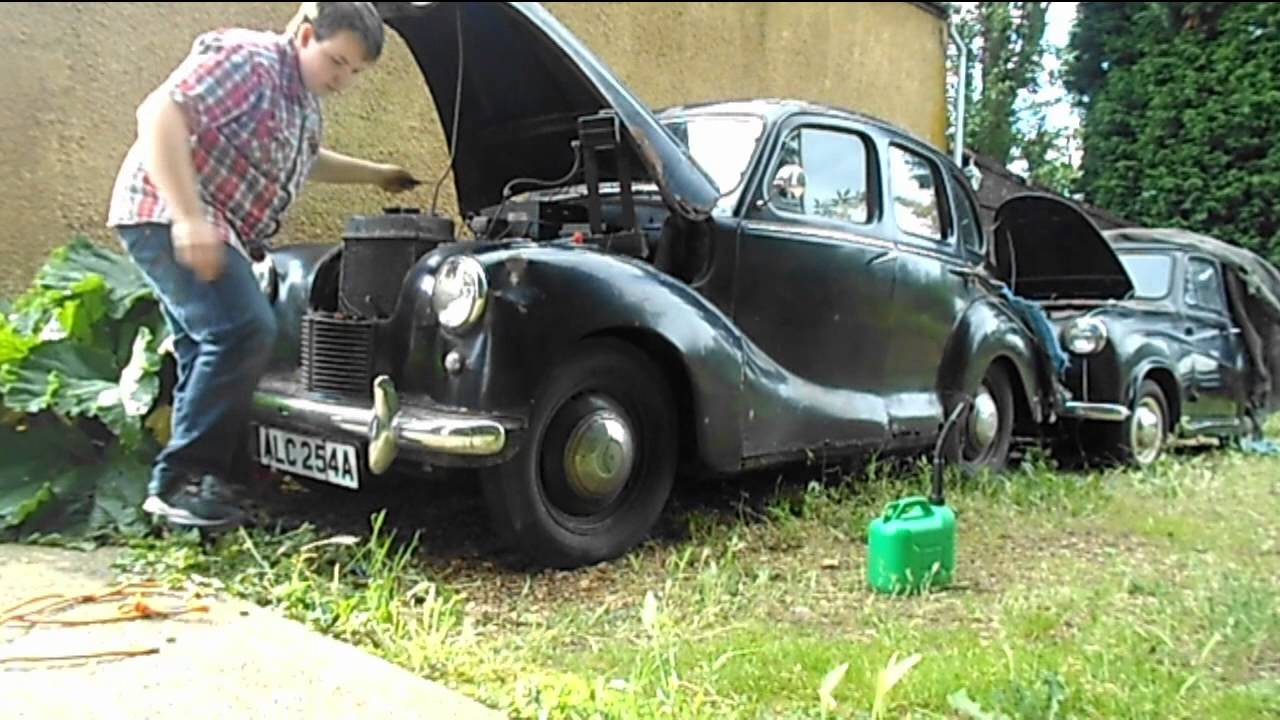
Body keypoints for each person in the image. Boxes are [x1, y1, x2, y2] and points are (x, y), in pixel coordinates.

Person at [107, 2, 417, 528]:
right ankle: (181, 481)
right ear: (304, 34)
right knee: (246, 329)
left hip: (205, 223)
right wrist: (187, 219)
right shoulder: (248, 61)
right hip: (163, 213)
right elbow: (159, 114)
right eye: (337, 61)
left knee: (201, 349)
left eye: (356, 72)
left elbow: (309, 157)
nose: (343, 79)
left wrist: (377, 173)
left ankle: (201, 494)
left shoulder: (303, 103)